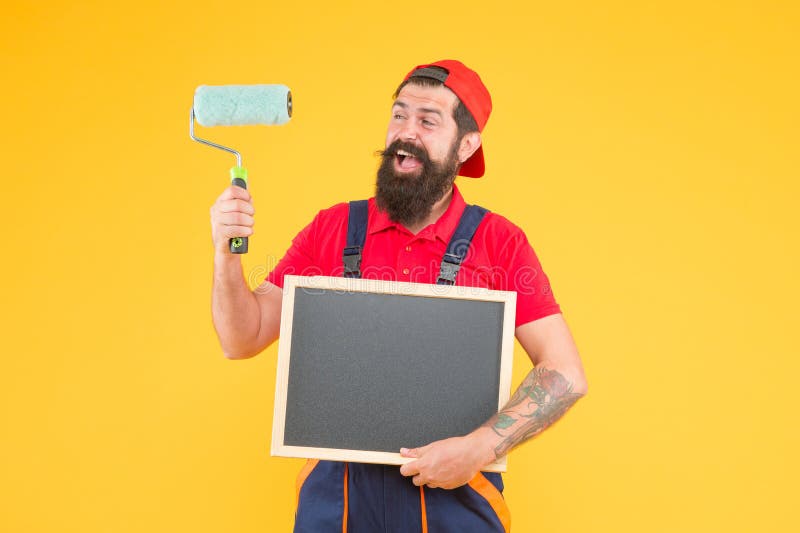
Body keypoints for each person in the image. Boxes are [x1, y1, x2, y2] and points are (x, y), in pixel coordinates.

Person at [210, 59, 588, 532]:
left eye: (428, 121)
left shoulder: (501, 243)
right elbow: (241, 338)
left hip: (458, 493)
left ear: (467, 145)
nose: (405, 132)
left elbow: (565, 373)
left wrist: (479, 448)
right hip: (339, 497)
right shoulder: (332, 229)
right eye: (399, 114)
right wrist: (227, 254)